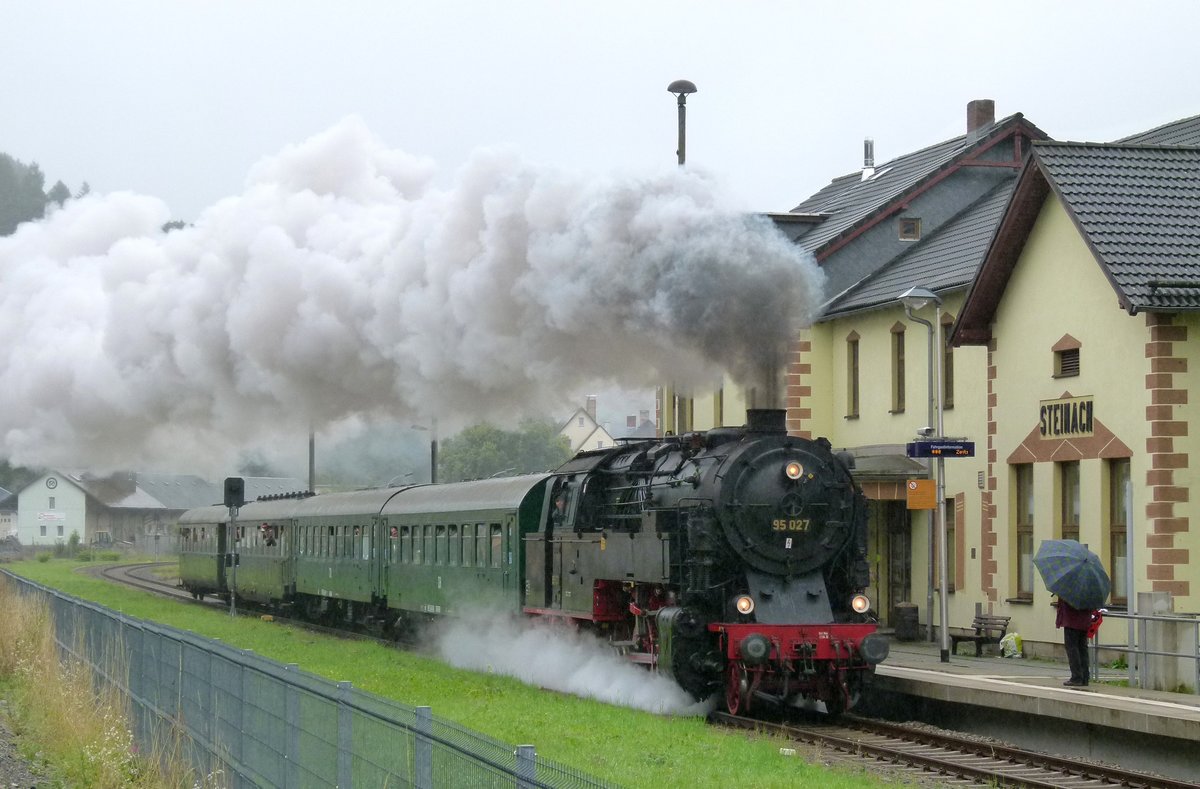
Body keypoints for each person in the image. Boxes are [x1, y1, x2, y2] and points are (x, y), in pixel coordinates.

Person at [1055, 598, 1097, 686]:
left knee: (1072, 648)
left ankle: (1076, 677)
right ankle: (1085, 677)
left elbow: (1068, 604)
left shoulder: (1071, 588)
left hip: (1072, 621)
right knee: (1082, 648)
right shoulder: (1088, 588)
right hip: (1084, 621)